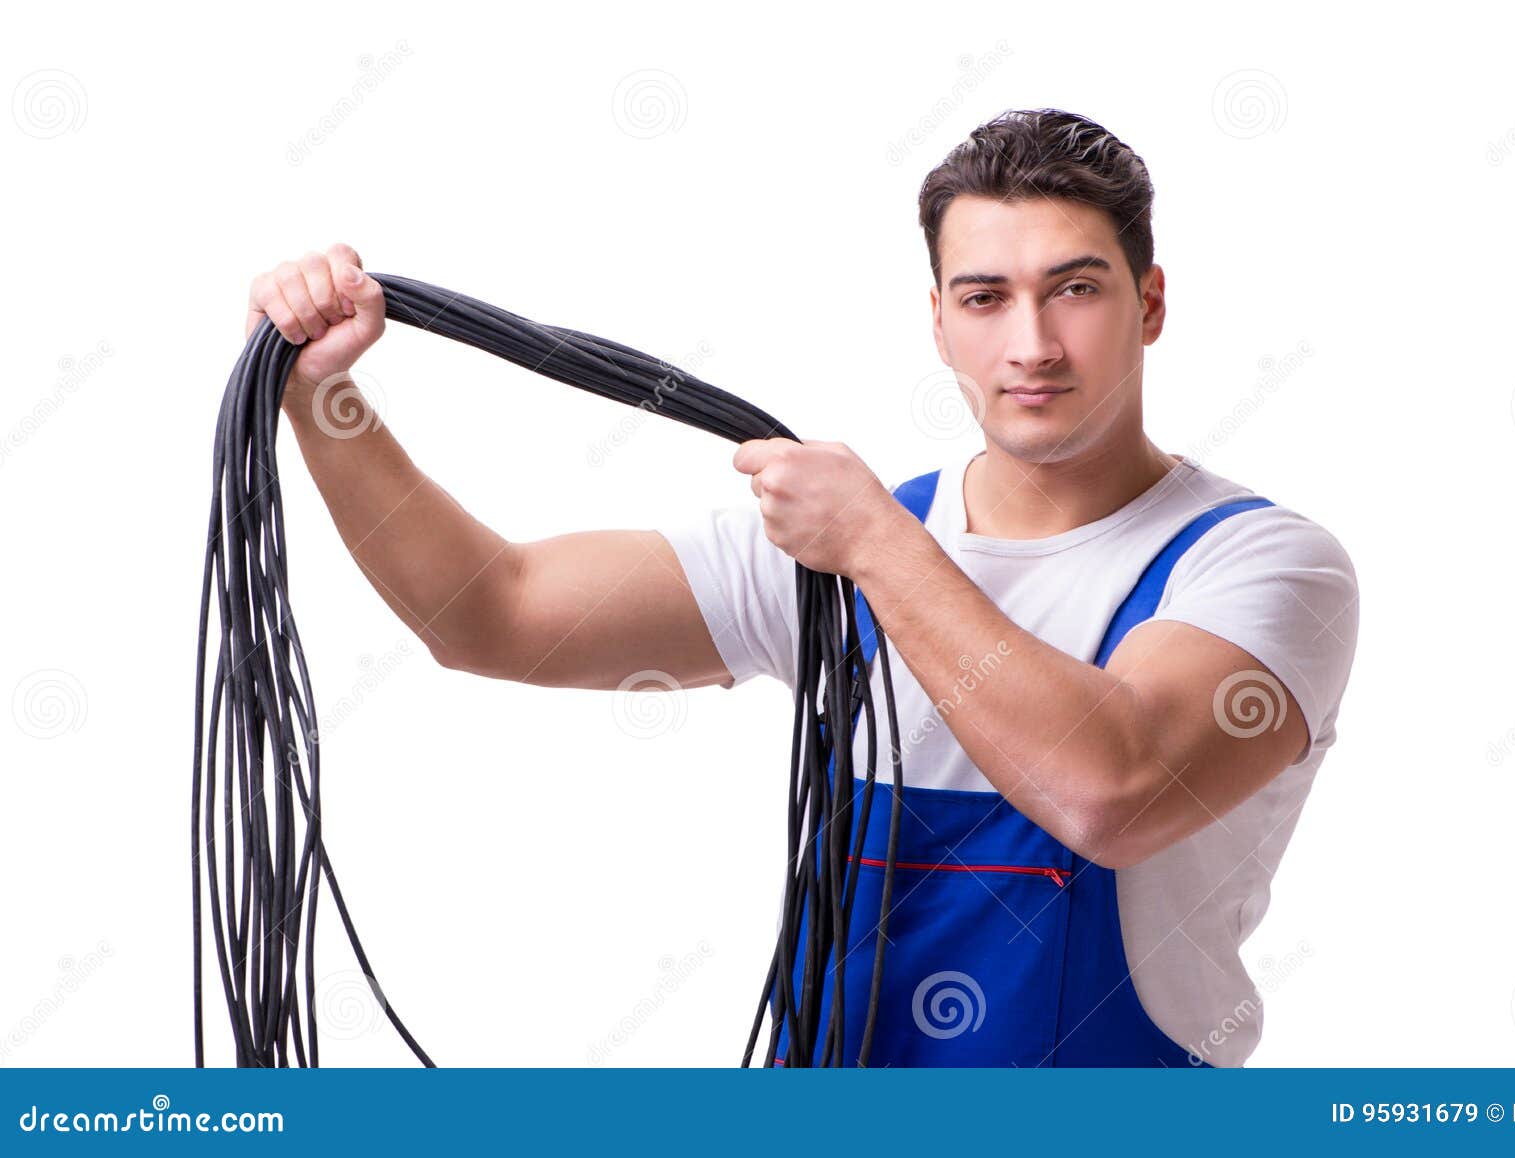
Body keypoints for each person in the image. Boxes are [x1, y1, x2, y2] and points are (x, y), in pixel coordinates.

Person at [244, 108, 1359, 1067]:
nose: (1031, 344)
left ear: (1150, 303)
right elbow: (491, 613)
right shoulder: (834, 549)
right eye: (984, 298)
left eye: (1074, 289)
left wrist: (878, 545)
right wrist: (321, 404)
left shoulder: (1259, 567)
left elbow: (1109, 790)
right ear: (937, 320)